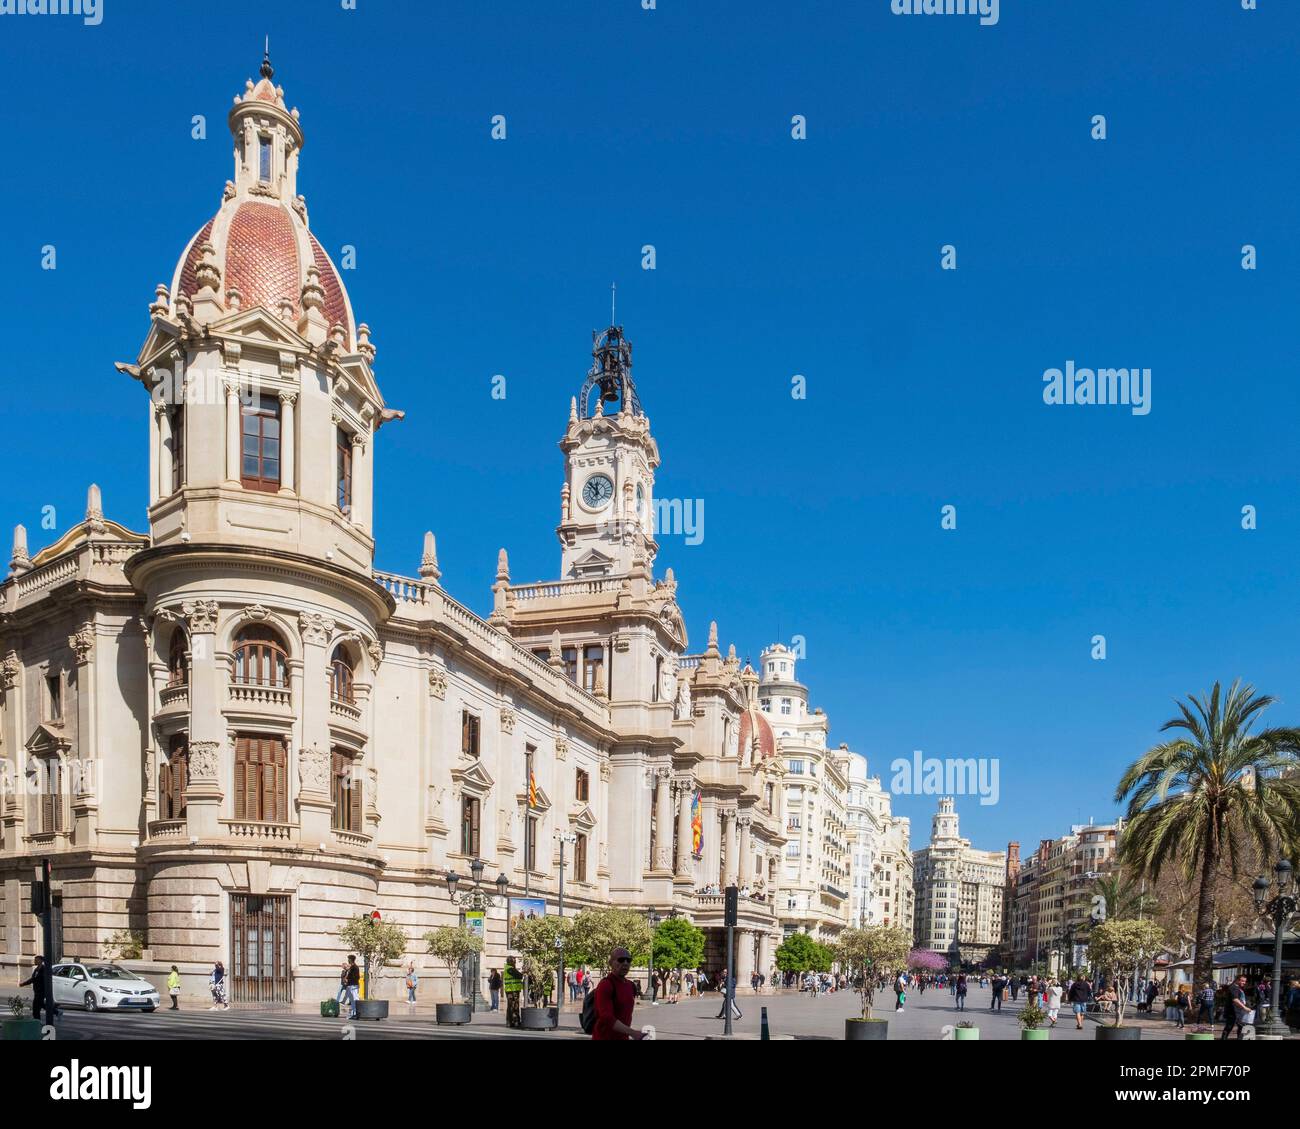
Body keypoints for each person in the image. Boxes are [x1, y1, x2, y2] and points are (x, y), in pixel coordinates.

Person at [592, 947, 646, 1040]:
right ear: (611, 963)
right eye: (621, 960)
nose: (625, 963)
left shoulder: (631, 985)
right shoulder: (606, 985)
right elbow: (606, 1018)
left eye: (628, 960)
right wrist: (633, 1033)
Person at [19, 955, 49, 1021]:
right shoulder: (36, 969)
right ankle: (56, 1012)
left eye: (36, 960)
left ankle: (37, 1020)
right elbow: (33, 978)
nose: (35, 961)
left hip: (41, 991)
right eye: (35, 960)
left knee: (36, 1007)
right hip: (37, 990)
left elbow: (34, 979)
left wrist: (24, 984)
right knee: (40, 1005)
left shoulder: (43, 969)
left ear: (41, 961)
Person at [1223, 974, 1251, 1040]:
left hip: (1238, 1011)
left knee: (1241, 1027)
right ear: (1237, 980)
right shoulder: (1233, 987)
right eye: (1242, 981)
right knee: (1229, 1027)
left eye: (1245, 981)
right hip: (1233, 1011)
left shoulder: (1238, 987)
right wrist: (1245, 1007)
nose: (1244, 983)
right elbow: (1235, 999)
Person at [502, 956, 524, 1028]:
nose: (515, 963)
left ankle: (511, 1021)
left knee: (512, 1006)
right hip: (512, 990)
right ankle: (514, 1021)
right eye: (514, 961)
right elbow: (519, 976)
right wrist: (524, 972)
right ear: (510, 962)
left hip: (513, 990)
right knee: (513, 1006)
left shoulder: (509, 968)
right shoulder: (510, 969)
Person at [336, 955, 359, 1019]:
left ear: (351, 960)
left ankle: (355, 1013)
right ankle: (353, 1013)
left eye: (348, 959)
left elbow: (357, 977)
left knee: (355, 999)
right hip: (350, 985)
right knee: (352, 1001)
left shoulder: (355, 967)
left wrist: (348, 979)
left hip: (353, 985)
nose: (348, 960)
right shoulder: (352, 967)